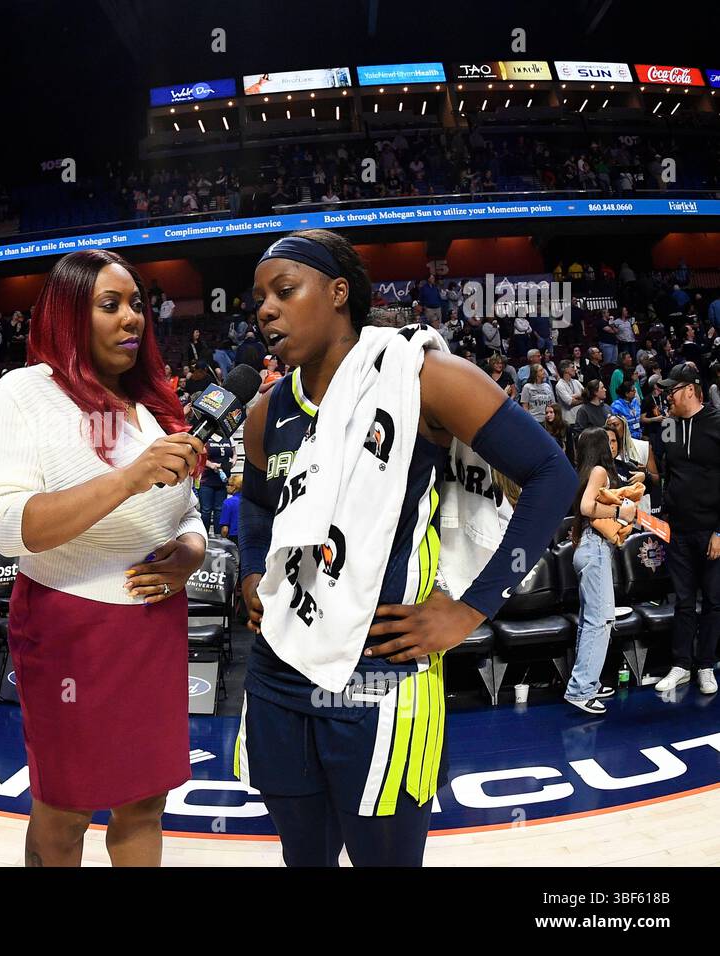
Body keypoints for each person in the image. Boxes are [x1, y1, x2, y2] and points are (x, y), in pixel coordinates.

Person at [235, 230, 575, 867]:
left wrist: (470, 610)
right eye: (259, 298)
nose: (265, 310)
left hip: (382, 674)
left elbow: (552, 475)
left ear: (339, 293)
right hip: (279, 668)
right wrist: (252, 571)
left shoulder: (422, 378)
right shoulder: (265, 412)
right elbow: (256, 506)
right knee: (302, 858)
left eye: (284, 291)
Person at [0, 249, 207, 867]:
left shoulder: (153, 408)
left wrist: (188, 554)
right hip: (68, 624)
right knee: (65, 806)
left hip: (154, 623)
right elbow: (13, 527)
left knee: (145, 801)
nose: (131, 319)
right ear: (71, 313)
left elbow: (187, 512)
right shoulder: (25, 394)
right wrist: (127, 479)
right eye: (110, 305)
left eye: (136, 305)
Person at [654, 364, 720, 695]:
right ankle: (681, 665)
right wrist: (663, 514)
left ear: (691, 390)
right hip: (677, 529)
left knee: (713, 601)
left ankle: (706, 665)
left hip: (711, 532)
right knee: (682, 600)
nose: (668, 396)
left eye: (672, 390)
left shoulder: (717, 423)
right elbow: (667, 471)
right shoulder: (668, 425)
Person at [565, 429, 636, 714]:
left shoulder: (583, 471)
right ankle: (581, 690)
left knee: (589, 620)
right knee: (600, 621)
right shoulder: (598, 470)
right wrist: (620, 514)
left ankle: (587, 684)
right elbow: (586, 507)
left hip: (587, 549)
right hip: (593, 550)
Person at [219, 473, 242, 539]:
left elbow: (225, 529)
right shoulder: (249, 501)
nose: (226, 487)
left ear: (234, 487)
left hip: (233, 537)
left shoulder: (228, 502)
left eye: (228, 485)